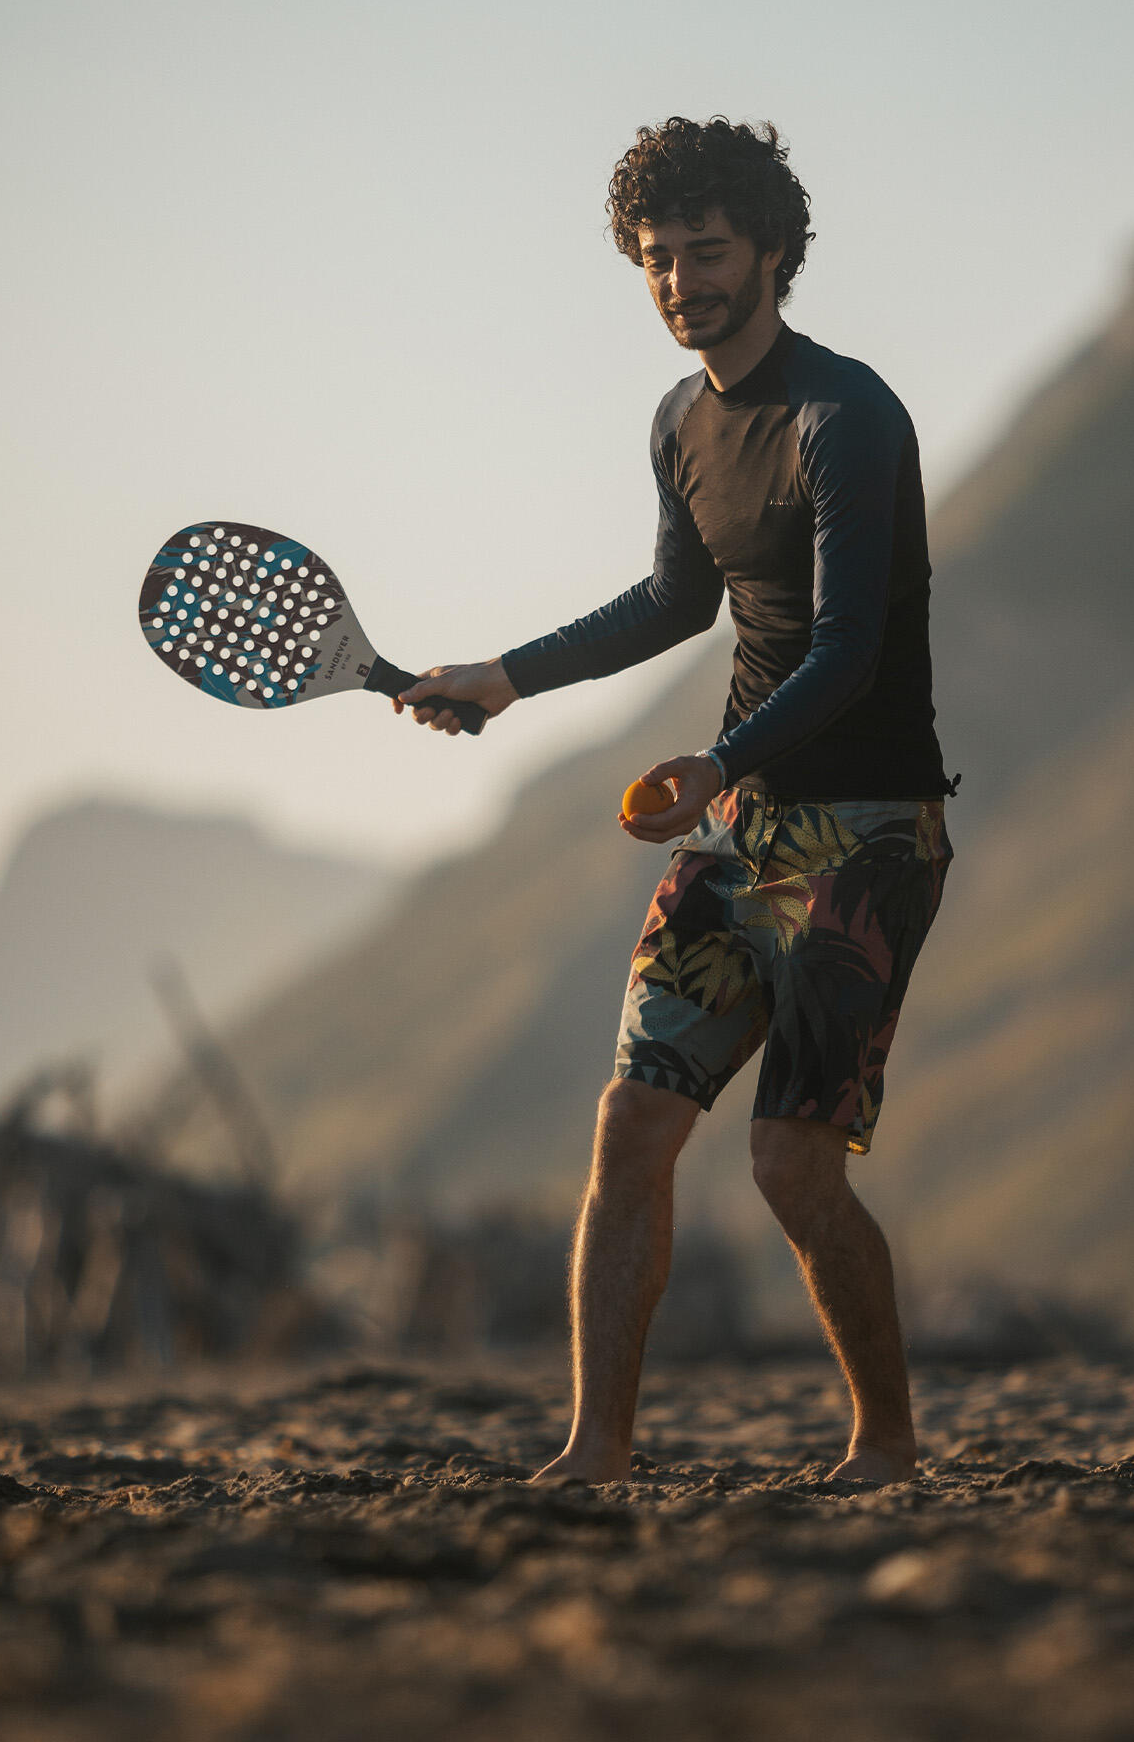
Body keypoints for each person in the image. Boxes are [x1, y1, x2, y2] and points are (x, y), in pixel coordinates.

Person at [400, 117, 954, 1485]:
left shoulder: (850, 417)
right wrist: (507, 677)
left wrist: (718, 761)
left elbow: (847, 650)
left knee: (789, 1168)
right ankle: (598, 1450)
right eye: (657, 259)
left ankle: (885, 1445)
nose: (681, 282)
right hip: (753, 833)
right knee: (631, 1122)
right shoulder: (680, 425)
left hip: (870, 833)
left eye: (706, 252)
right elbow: (674, 601)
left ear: (772, 251)